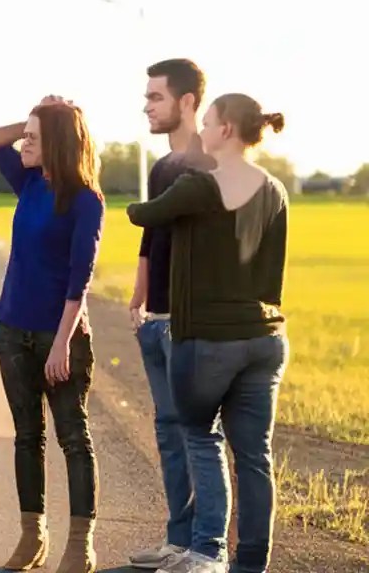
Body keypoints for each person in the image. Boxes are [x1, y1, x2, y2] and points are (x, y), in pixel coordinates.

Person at [127, 94, 289, 573]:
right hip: (264, 336)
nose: (203, 131)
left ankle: (205, 552)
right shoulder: (275, 189)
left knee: (200, 438)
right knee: (255, 455)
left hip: (208, 340)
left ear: (226, 131)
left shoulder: (199, 186)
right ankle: (251, 561)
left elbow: (142, 214)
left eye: (210, 123)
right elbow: (272, 277)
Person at [0, 96, 104, 573]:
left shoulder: (86, 200)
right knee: (26, 437)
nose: (22, 143)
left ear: (54, 143)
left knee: (74, 438)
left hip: (62, 336)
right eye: (25, 136)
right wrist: (36, 114)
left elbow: (81, 277)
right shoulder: (28, 181)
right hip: (12, 329)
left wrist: (61, 344)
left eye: (33, 137)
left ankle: (80, 544)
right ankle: (32, 537)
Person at [126, 59, 215, 571]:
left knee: (198, 434)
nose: (146, 107)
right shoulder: (163, 167)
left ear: (186, 102)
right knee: (168, 432)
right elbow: (149, 239)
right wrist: (139, 298)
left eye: (155, 97)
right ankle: (177, 540)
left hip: (192, 322)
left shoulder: (211, 163)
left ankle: (206, 544)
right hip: (156, 318)